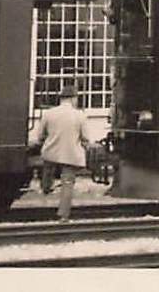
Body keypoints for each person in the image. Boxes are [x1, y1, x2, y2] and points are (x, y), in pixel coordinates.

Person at [33, 82, 89, 221]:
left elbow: (40, 135)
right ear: (73, 98)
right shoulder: (80, 115)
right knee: (68, 184)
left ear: (61, 98)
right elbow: (85, 138)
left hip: (51, 153)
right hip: (70, 154)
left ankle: (46, 186)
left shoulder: (48, 114)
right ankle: (63, 215)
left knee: (47, 169)